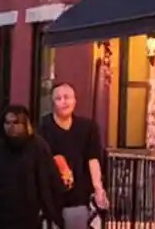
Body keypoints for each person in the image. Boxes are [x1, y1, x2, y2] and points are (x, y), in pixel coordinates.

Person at [0, 105, 64, 229]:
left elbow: (49, 183)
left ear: (26, 124)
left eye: (16, 122)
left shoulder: (38, 147)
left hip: (29, 218)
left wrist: (52, 214)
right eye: (8, 122)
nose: (12, 127)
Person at [38, 83, 108, 229]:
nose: (64, 101)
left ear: (75, 100)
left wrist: (98, 188)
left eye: (67, 97)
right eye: (59, 98)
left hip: (78, 197)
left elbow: (93, 158)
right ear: (52, 103)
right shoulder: (43, 127)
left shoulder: (87, 127)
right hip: (50, 195)